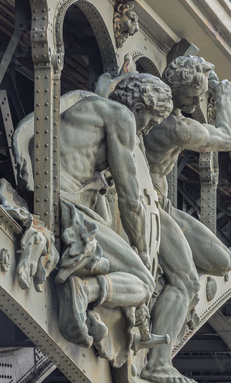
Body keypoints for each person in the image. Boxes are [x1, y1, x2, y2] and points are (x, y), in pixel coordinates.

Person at [52, 74, 173, 353]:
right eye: (151, 122)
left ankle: (92, 301)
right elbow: (131, 198)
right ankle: (85, 291)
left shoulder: (88, 109)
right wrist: (143, 252)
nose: (145, 131)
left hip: (56, 198)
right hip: (67, 208)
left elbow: (105, 219)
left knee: (115, 259)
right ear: (141, 106)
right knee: (144, 283)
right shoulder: (122, 116)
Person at [139, 56, 231, 383]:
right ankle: (158, 363)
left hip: (164, 206)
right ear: (176, 90)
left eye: (203, 96)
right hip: (148, 207)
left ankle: (164, 297)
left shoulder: (175, 119)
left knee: (223, 261)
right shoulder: (174, 127)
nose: (198, 104)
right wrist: (225, 99)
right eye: (194, 96)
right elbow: (227, 139)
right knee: (187, 282)